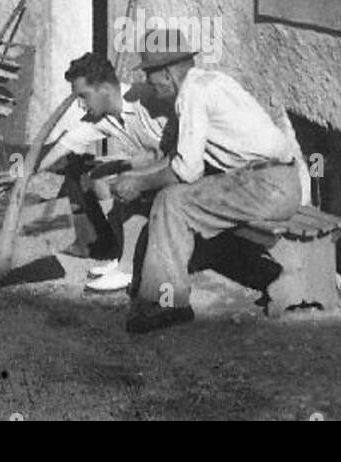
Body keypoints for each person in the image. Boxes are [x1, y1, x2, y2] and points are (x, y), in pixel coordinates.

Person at [111, 30, 301, 333]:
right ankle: (156, 290)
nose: (149, 82)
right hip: (270, 182)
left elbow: (185, 171)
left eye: (150, 74)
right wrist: (137, 177)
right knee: (172, 196)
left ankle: (168, 303)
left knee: (172, 201)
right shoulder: (208, 82)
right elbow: (177, 159)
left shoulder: (192, 95)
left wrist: (139, 185)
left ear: (169, 72)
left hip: (268, 186)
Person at [38, 52, 168, 292]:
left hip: (181, 170)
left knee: (130, 183)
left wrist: (143, 165)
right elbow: (66, 144)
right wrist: (27, 173)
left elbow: (179, 150)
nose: (81, 104)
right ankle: (124, 256)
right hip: (155, 169)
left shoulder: (147, 100)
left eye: (84, 96)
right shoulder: (102, 116)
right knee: (101, 177)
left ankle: (128, 270)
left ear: (105, 89)